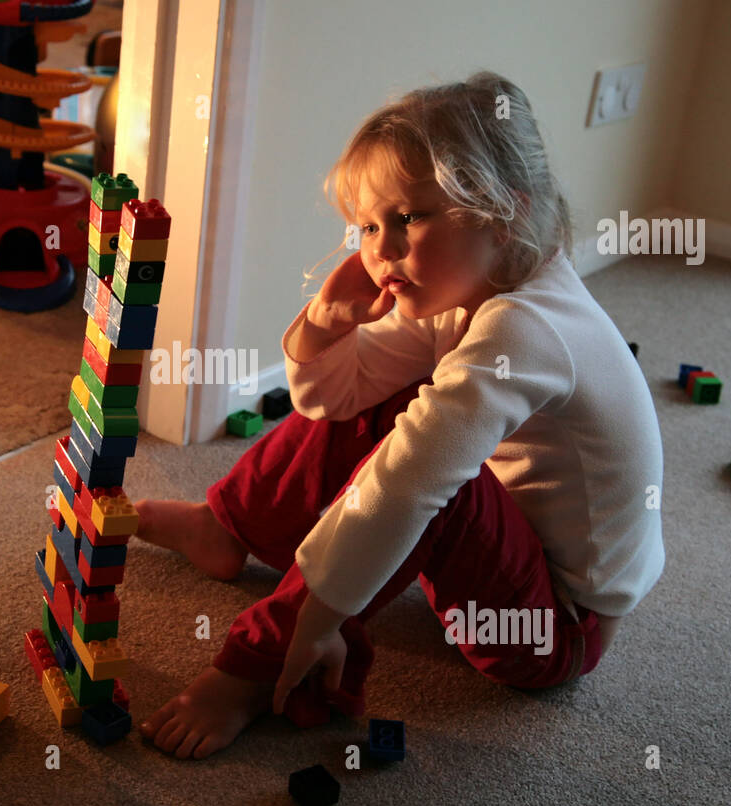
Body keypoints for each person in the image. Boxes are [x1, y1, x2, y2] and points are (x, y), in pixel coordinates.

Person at [135, 72, 665, 759]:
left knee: (427, 472)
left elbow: (410, 483)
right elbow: (333, 401)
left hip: (554, 629)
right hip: (512, 555)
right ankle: (228, 524)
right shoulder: (463, 290)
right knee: (392, 409)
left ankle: (256, 666)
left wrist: (319, 617)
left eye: (408, 219)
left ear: (502, 215)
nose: (380, 247)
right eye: (367, 226)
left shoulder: (527, 327)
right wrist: (328, 323)